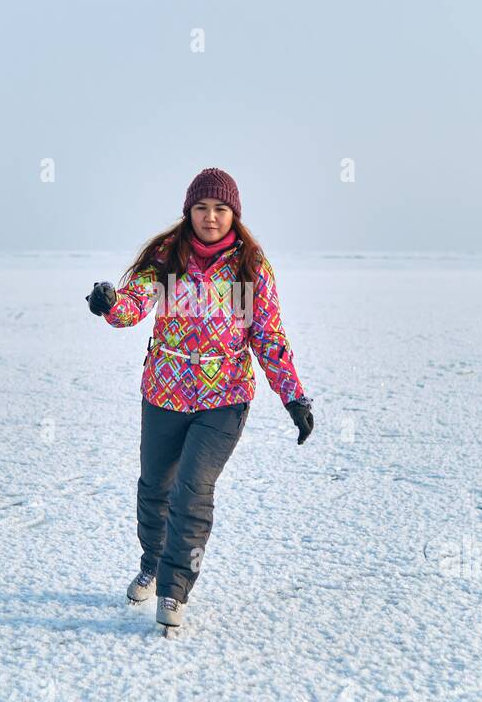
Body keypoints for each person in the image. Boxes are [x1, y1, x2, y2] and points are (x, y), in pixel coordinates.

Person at [85, 167, 314, 633]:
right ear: (188, 211)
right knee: (155, 487)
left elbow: (269, 336)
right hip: (164, 392)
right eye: (202, 208)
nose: (211, 217)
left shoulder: (250, 266)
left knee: (192, 490)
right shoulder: (167, 258)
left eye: (220, 208)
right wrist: (110, 304)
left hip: (224, 398)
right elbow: (135, 302)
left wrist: (294, 397)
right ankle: (152, 564)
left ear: (235, 214)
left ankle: (174, 588)